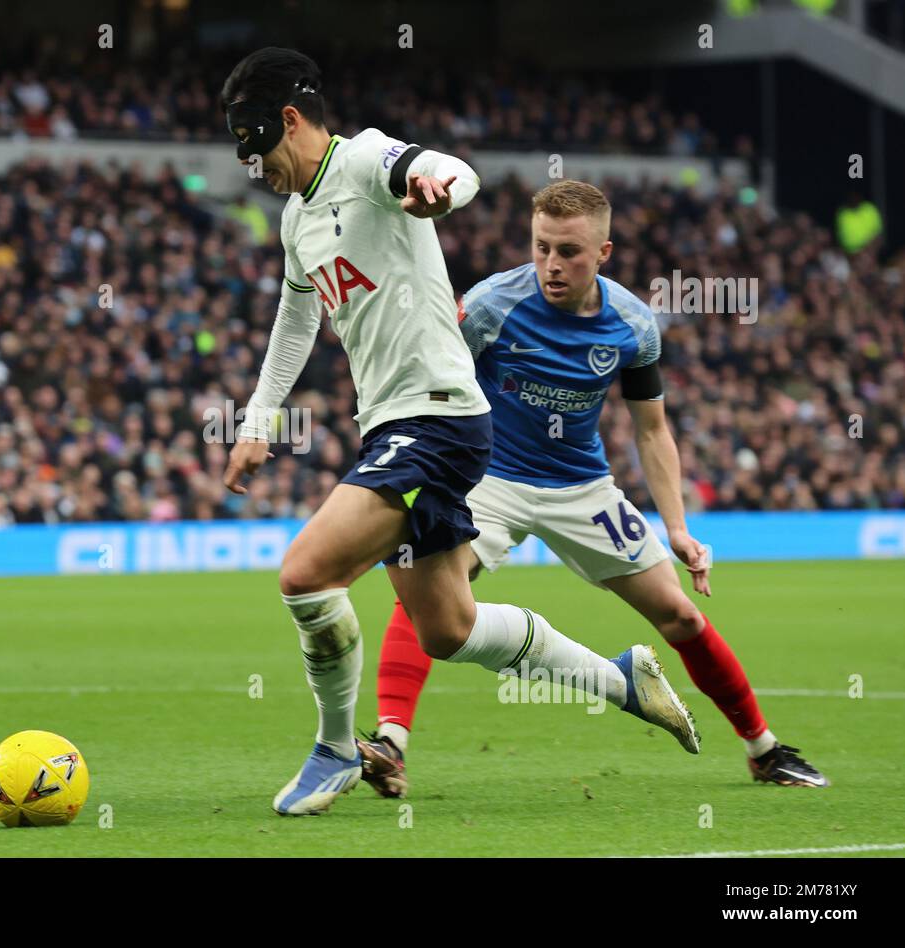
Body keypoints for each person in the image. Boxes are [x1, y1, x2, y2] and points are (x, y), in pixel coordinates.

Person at [219, 49, 697, 817]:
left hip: (438, 418)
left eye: (259, 149)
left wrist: (436, 188)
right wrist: (256, 422)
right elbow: (295, 317)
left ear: (292, 121)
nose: (256, 167)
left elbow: (446, 170)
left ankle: (337, 748)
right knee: (446, 628)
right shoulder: (296, 217)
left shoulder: (367, 159)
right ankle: (621, 681)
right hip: (392, 423)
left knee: (305, 575)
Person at [358, 180, 828, 795]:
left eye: (570, 252)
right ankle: (391, 743)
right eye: (542, 247)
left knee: (681, 616)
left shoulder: (632, 324)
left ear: (604, 252)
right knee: (429, 592)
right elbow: (432, 386)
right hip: (491, 479)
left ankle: (764, 750)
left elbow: (652, 431)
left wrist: (678, 527)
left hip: (584, 487)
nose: (552, 265)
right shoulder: (491, 306)